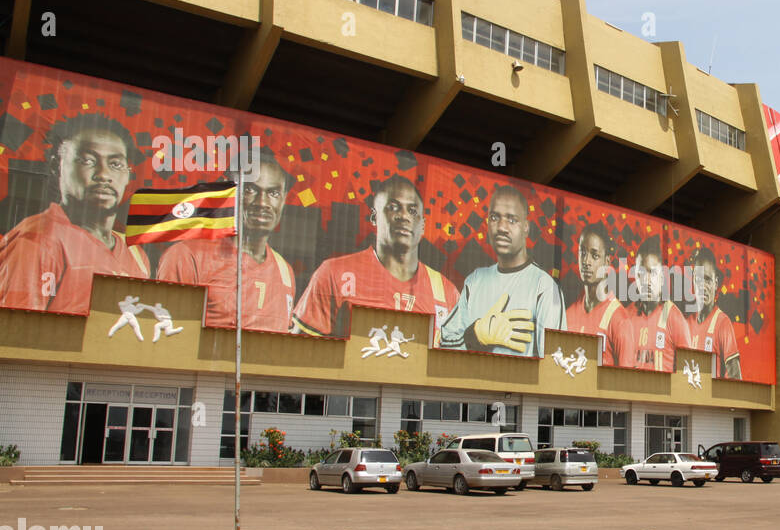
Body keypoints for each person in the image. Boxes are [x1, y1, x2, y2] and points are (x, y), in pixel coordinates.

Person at [0, 114, 149, 313]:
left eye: (115, 164)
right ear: (56, 166)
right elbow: (17, 332)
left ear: (128, 175)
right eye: (87, 161)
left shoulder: (135, 253)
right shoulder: (37, 241)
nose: (103, 175)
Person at [291, 174, 457, 339]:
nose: (404, 216)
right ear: (374, 217)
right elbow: (301, 350)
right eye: (393, 207)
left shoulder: (446, 291)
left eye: (413, 211)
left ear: (423, 225)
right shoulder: (334, 273)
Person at [156, 148, 296, 332]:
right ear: (228, 191)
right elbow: (169, 338)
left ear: (284, 199)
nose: (262, 203)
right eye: (250, 189)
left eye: (274, 193)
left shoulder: (285, 271)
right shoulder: (188, 256)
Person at [439, 184, 565, 356]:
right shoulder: (475, 280)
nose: (501, 228)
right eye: (494, 217)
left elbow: (555, 362)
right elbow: (444, 346)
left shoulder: (545, 287)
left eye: (512, 220)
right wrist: (476, 336)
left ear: (526, 227)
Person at [564, 221, 633, 367]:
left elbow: (627, 383)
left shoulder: (619, 319)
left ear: (607, 262)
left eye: (594, 256)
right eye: (582, 253)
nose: (586, 261)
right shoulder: (568, 314)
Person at [623, 235, 690, 373]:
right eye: (641, 272)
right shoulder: (625, 316)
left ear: (662, 277)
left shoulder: (674, 318)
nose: (646, 280)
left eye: (652, 273)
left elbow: (687, 373)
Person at [685, 246, 741, 379]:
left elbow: (735, 378)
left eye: (708, 279)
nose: (702, 286)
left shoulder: (723, 323)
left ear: (716, 283)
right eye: (698, 279)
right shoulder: (686, 324)